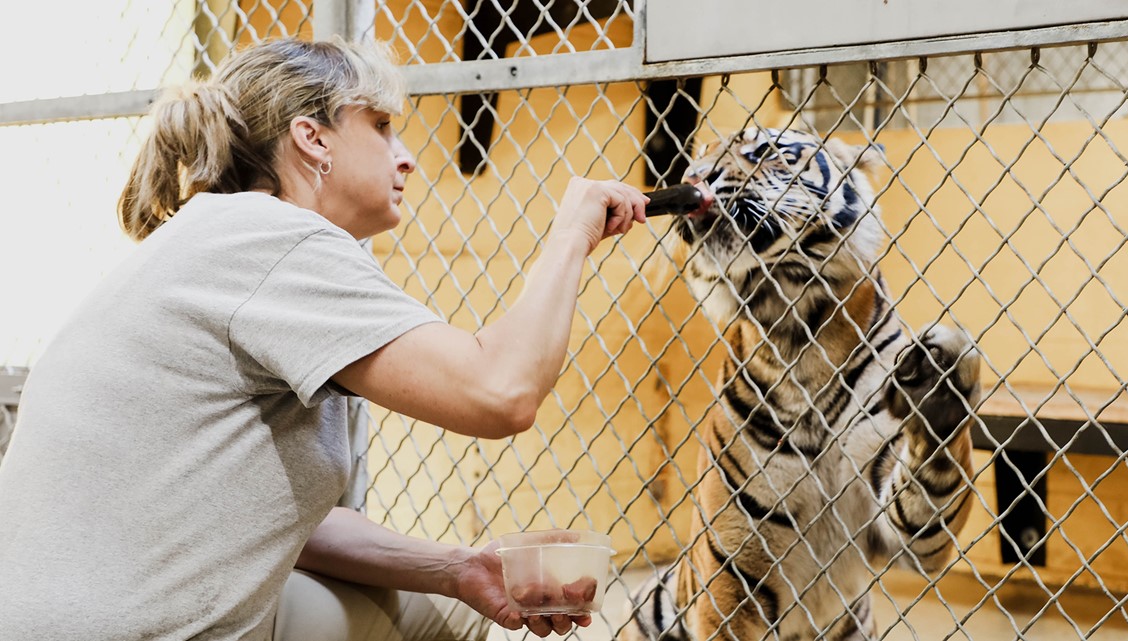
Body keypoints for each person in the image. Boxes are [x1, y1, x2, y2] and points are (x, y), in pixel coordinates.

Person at [0, 36, 647, 641]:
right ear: (312, 140)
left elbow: (278, 525)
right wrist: (572, 232)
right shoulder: (271, 240)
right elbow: (500, 389)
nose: (407, 155)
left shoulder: (219, 236)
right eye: (383, 126)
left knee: (428, 605)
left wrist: (459, 566)